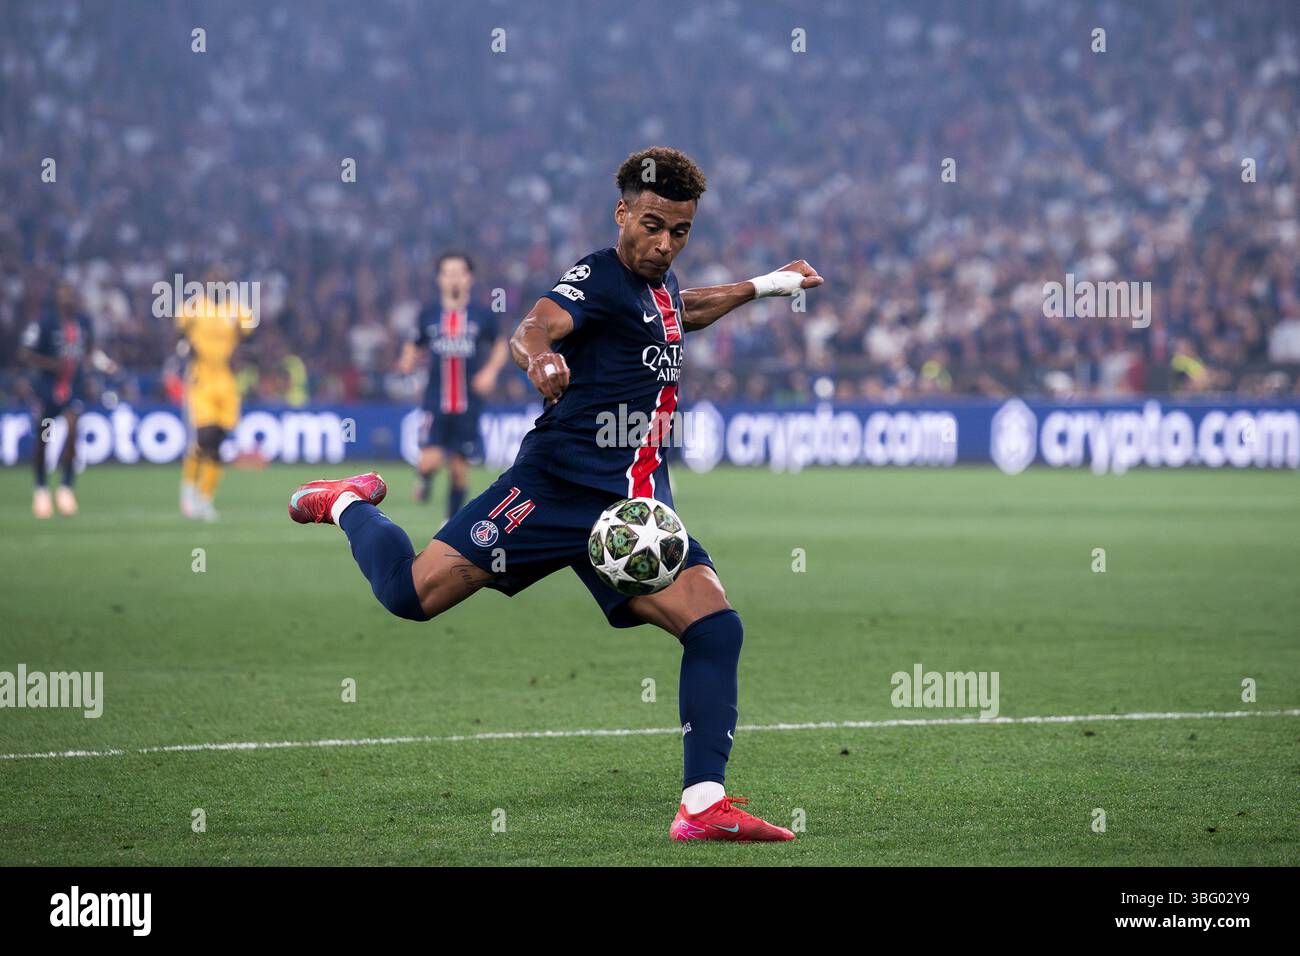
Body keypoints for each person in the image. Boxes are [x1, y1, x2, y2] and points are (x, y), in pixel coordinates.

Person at [287, 147, 823, 841]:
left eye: (680, 232)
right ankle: (347, 503)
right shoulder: (598, 277)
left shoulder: (657, 285)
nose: (664, 243)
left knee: (716, 626)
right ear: (622, 212)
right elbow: (534, 324)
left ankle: (702, 805)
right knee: (408, 596)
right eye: (653, 225)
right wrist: (539, 357)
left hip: (628, 517)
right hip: (551, 492)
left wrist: (769, 284)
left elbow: (679, 312)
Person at [396, 252, 508, 516]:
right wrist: (407, 358)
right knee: (430, 462)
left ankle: (447, 525)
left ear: (469, 278)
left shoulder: (482, 315)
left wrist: (490, 372)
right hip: (436, 401)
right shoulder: (429, 314)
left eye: (460, 272)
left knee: (459, 470)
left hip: (469, 404)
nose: (454, 278)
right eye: (448, 273)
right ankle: (423, 477)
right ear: (440, 279)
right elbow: (414, 342)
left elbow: (501, 345)